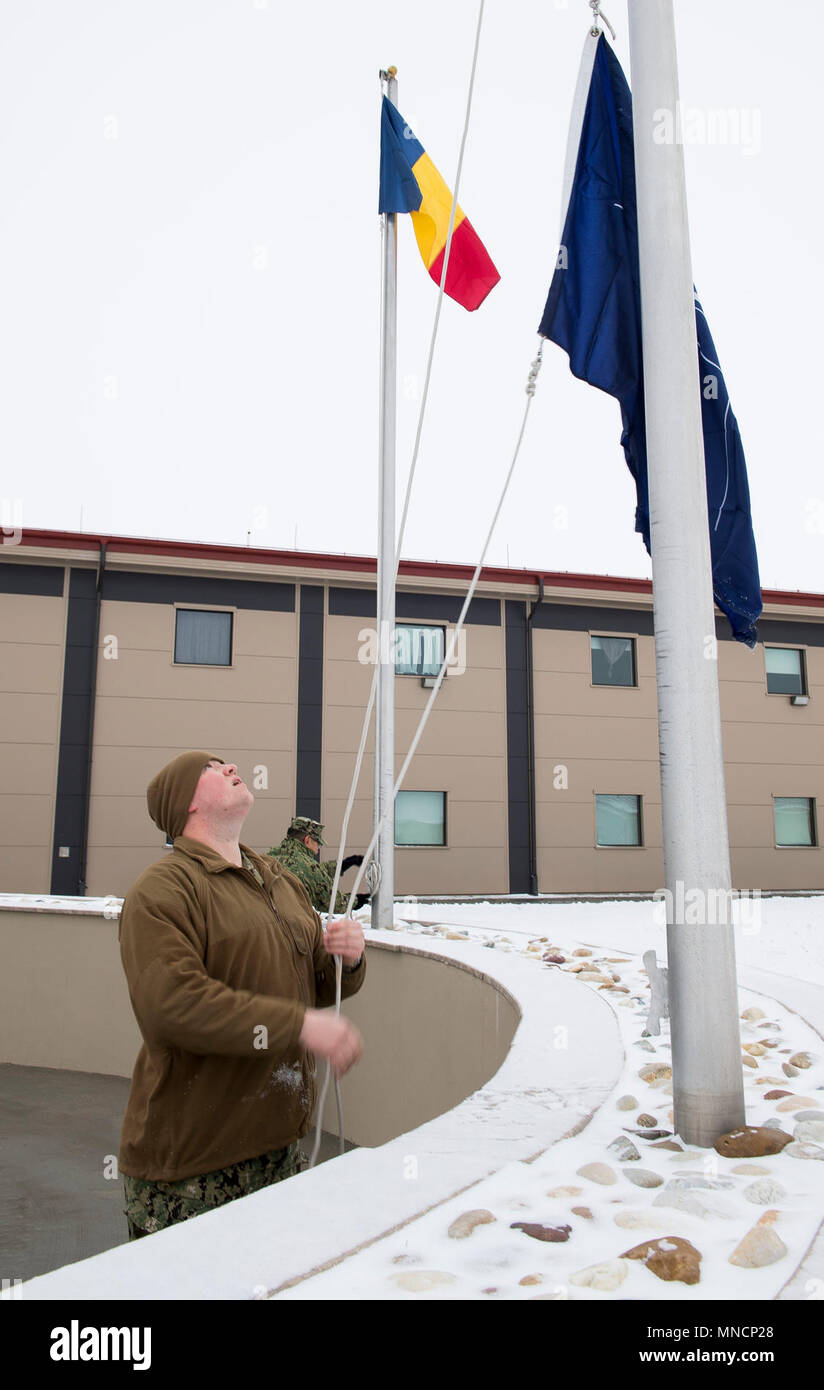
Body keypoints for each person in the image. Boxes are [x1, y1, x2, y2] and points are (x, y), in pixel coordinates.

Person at [118, 751, 366, 1240]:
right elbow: (172, 1006)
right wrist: (297, 1025)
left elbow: (316, 986)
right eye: (212, 767)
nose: (231, 768)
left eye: (228, 762)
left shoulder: (278, 879)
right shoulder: (162, 889)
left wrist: (347, 958)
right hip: (192, 1168)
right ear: (184, 803)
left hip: (280, 1147)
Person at [268, 815, 369, 916]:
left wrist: (345, 864)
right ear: (307, 840)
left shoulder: (269, 856)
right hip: (290, 926)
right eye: (318, 844)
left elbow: (314, 872)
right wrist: (356, 900)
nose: (317, 850)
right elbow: (334, 903)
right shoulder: (308, 867)